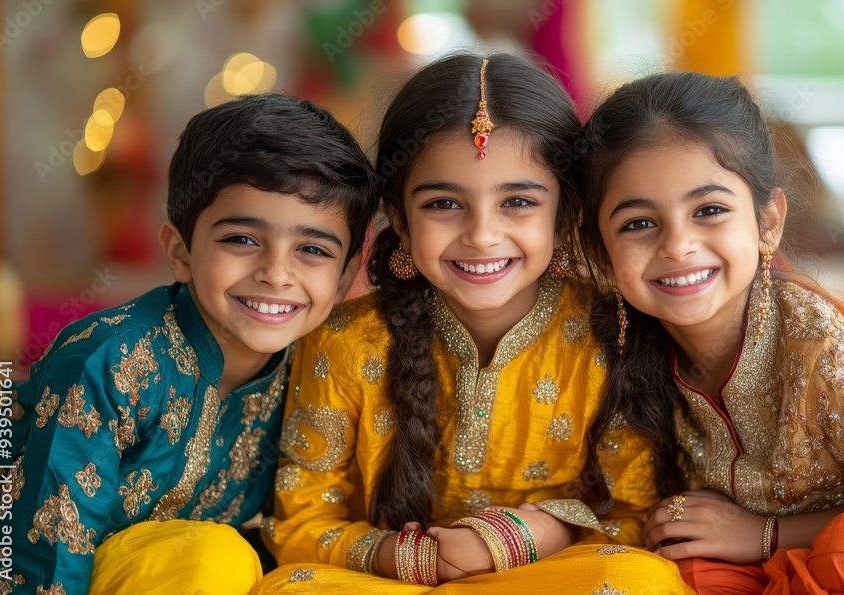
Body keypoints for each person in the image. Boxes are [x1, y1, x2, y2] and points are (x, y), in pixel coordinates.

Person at [254, 53, 692, 593]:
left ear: (564, 214)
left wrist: (535, 532)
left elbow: (638, 514)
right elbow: (300, 524)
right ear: (398, 218)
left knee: (639, 579)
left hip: (539, 579)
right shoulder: (344, 340)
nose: (482, 235)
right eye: (444, 204)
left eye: (517, 202)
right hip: (385, 583)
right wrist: (412, 559)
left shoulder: (613, 331)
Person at [577, 71, 844, 593]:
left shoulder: (822, 353)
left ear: (768, 223)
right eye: (638, 223)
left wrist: (766, 535)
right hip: (760, 560)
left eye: (710, 211)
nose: (678, 245)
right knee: (679, 567)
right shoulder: (620, 340)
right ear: (600, 252)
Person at [0, 93, 379, 595]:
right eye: (242, 239)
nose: (277, 274)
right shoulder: (111, 360)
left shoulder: (316, 367)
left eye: (312, 249)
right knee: (214, 559)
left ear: (345, 279)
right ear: (180, 251)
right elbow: (40, 561)